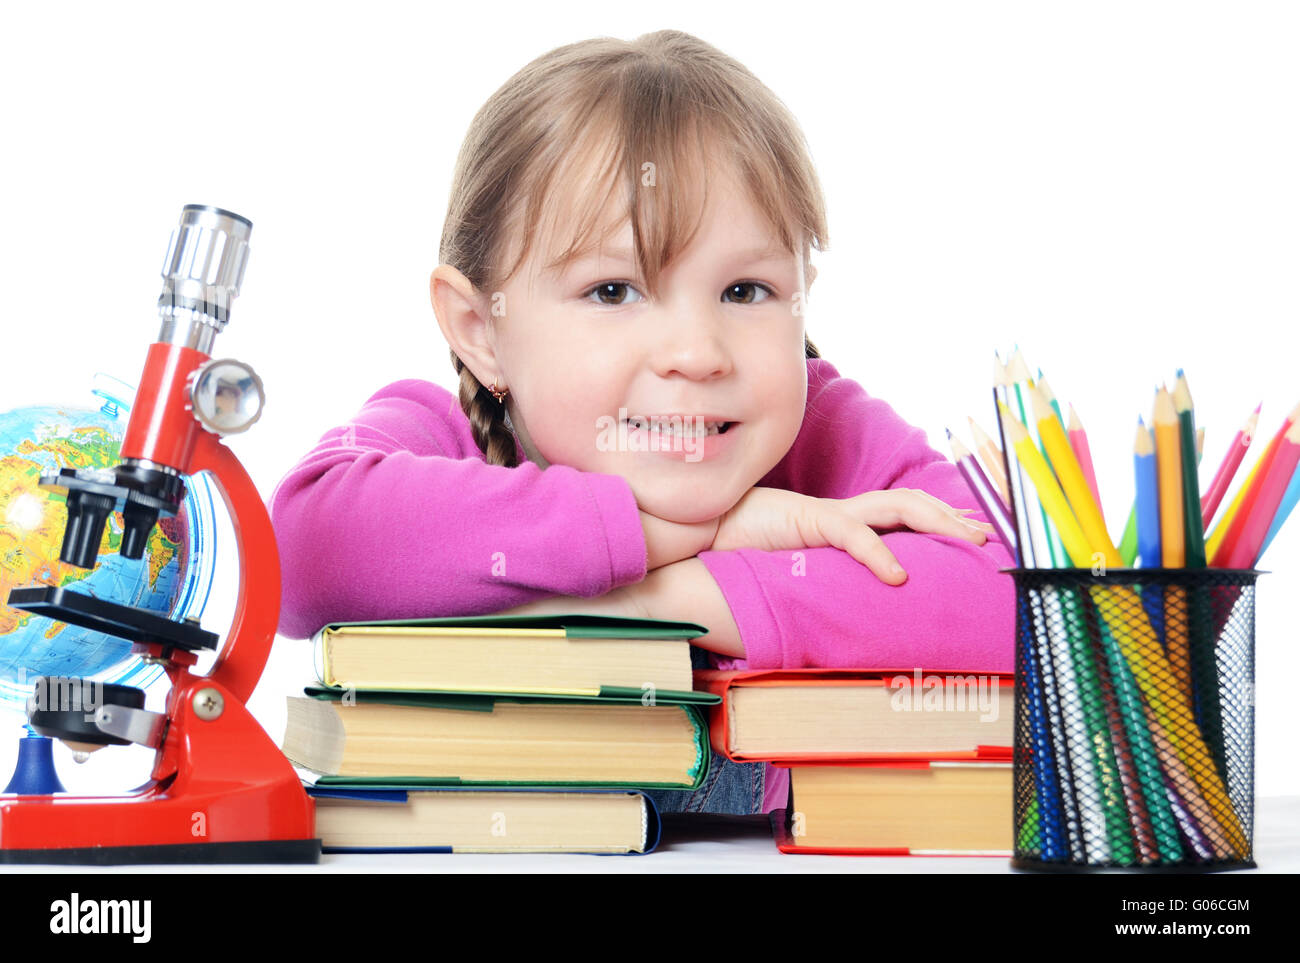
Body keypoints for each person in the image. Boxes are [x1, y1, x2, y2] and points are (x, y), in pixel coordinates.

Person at [269, 29, 1015, 817]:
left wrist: (663, 594)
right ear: (480, 328)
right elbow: (302, 550)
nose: (696, 353)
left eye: (746, 291)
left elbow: (1020, 600)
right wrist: (700, 529)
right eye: (614, 291)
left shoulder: (825, 433)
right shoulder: (436, 434)